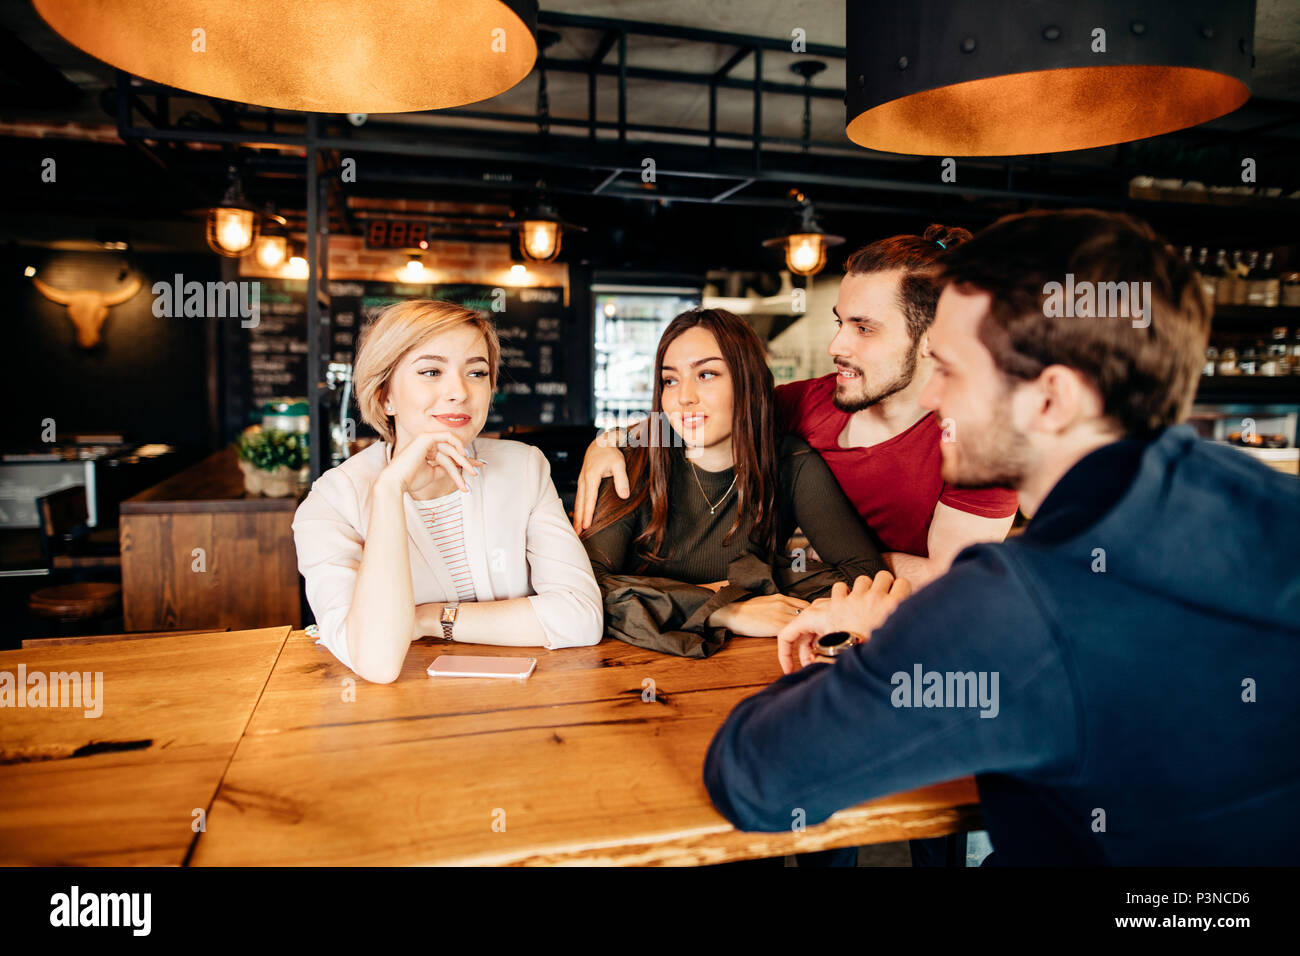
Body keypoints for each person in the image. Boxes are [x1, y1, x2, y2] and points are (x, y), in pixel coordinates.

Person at [703, 209, 1300, 865]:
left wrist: (888, 639)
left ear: (1051, 400)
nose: (931, 397)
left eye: (953, 371)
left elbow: (751, 775)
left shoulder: (1019, 607)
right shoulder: (1265, 504)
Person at [574, 225, 1019, 592]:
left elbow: (959, 581)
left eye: (864, 328)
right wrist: (614, 440)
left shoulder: (984, 440)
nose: (835, 345)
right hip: (841, 604)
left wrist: (802, 565)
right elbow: (708, 413)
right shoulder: (804, 406)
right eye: (840, 322)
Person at [292, 299, 602, 685]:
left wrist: (424, 618)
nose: (458, 391)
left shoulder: (524, 468)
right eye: (431, 371)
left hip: (526, 707)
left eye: (476, 372)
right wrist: (389, 491)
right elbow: (377, 661)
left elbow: (580, 618)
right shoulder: (330, 504)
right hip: (401, 720)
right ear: (385, 395)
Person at [581, 307, 886, 661]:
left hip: (749, 667)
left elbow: (864, 577)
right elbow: (586, 589)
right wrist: (727, 609)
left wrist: (756, 592)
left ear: (747, 380)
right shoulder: (631, 461)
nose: (684, 397)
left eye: (706, 374)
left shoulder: (788, 462)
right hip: (630, 668)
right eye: (670, 380)